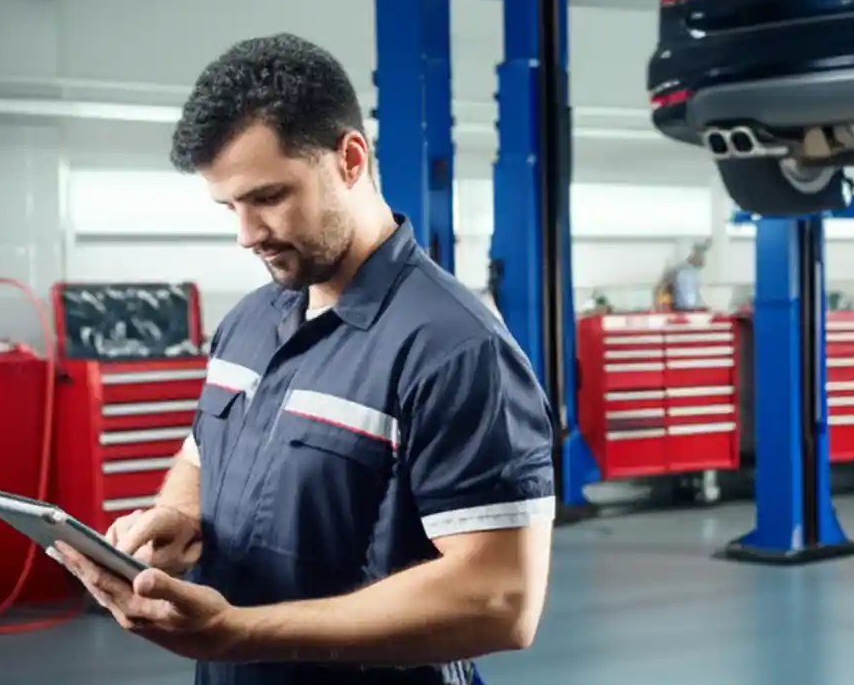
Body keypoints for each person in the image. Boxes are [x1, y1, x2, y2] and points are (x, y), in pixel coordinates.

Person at [50, 33, 556, 685]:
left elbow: (499, 600)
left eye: (268, 197)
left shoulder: (455, 350)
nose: (246, 234)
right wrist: (177, 518)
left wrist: (237, 633)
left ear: (349, 159)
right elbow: (203, 453)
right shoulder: (249, 323)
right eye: (229, 207)